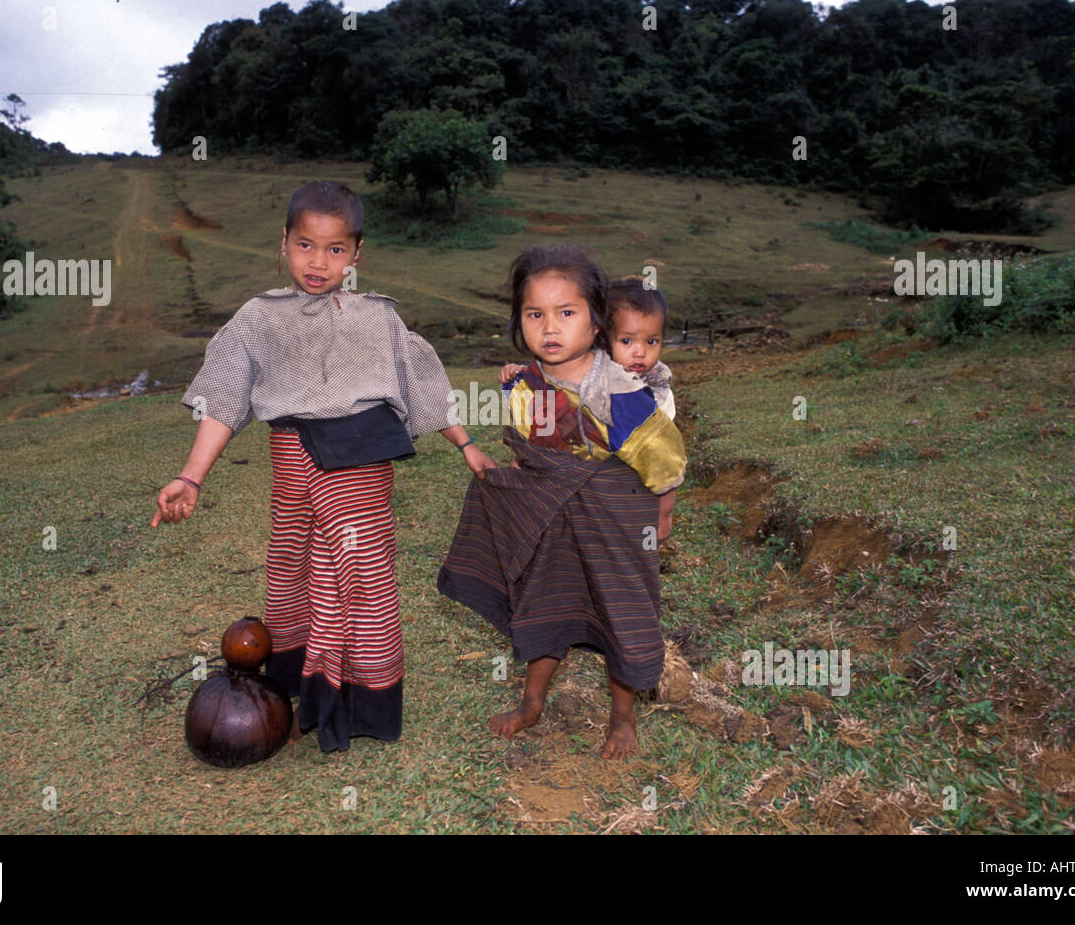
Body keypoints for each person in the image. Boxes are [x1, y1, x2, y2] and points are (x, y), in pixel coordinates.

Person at [151, 180, 496, 752]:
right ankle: (292, 679)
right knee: (292, 563)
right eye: (306, 245)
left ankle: (361, 699)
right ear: (284, 243)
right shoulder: (258, 319)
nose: (319, 261)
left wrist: (465, 444)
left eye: (336, 249)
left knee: (362, 576)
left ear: (356, 254)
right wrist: (191, 476)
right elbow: (226, 398)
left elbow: (421, 383)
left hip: (362, 461)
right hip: (292, 458)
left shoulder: (378, 317)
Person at [438, 245, 686, 759]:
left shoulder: (618, 392)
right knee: (544, 604)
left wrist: (662, 515)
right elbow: (531, 450)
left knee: (622, 613)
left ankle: (622, 716)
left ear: (597, 324)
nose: (549, 327)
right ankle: (532, 702)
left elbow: (665, 461)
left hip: (615, 526)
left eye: (566, 313)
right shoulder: (529, 379)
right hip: (551, 526)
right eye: (535, 315)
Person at [499, 275, 678, 535]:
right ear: (603, 338)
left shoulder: (656, 390)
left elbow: (664, 459)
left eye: (652, 341)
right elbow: (553, 378)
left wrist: (663, 516)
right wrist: (520, 374)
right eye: (627, 341)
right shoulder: (588, 369)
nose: (640, 352)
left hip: (625, 485)